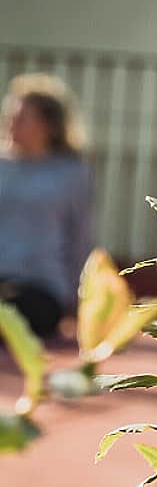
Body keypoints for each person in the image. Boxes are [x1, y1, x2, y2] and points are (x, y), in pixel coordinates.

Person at [0, 74, 94, 338]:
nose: (11, 123)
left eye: (22, 118)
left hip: (40, 287)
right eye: (9, 115)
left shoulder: (72, 173)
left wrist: (78, 302)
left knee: (16, 316)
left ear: (49, 125)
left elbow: (80, 237)